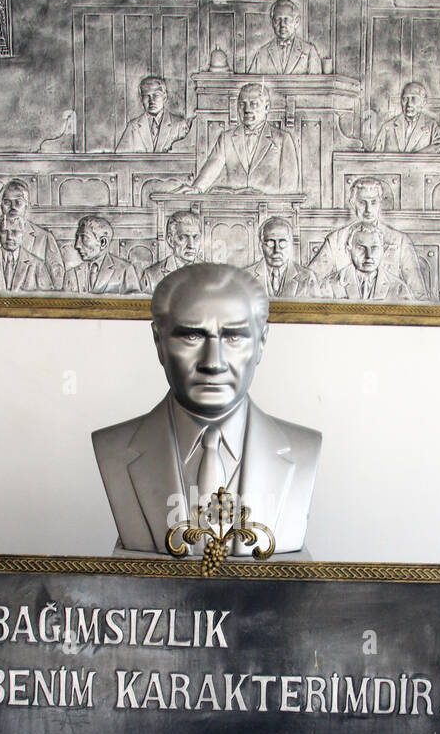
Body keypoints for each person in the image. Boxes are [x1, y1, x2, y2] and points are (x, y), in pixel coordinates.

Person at [92, 262, 321, 554]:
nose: (213, 362)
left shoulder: (305, 448)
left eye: (233, 336)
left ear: (262, 342)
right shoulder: (112, 448)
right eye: (192, 336)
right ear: (159, 342)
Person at [308, 177, 427, 299]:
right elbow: (309, 283)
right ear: (353, 203)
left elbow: (419, 294)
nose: (368, 209)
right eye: (362, 202)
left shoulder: (400, 240)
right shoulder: (335, 239)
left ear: (380, 202)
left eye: (373, 202)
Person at [184, 83, 299, 197]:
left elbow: (289, 186)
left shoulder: (283, 139)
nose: (247, 110)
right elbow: (212, 167)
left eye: (254, 104)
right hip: (234, 210)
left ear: (267, 107)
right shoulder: (226, 138)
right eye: (242, 104)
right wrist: (197, 188)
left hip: (270, 211)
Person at [0, 178, 64, 289]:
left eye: (18, 202)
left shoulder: (44, 237)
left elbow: (57, 282)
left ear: (27, 205)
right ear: (1, 205)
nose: (13, 207)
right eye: (7, 202)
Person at [323, 224, 409, 301]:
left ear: (383, 250)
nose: (368, 255)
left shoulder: (398, 287)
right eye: (361, 248)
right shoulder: (331, 284)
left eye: (374, 248)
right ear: (349, 249)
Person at [245, 216, 318, 299]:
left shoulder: (307, 277)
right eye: (270, 243)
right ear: (261, 246)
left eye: (282, 242)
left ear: (290, 244)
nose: (277, 250)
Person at [64, 216, 140, 294]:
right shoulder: (71, 274)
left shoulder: (125, 270)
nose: (77, 245)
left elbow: (135, 303)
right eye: (77, 238)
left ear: (103, 242)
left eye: (84, 238)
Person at [115, 76, 192, 153]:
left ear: (164, 97)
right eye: (147, 96)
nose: (151, 100)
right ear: (141, 99)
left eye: (156, 95)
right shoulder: (133, 126)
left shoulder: (179, 125)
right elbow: (119, 160)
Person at [248, 0, 322, 75]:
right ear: (272, 23)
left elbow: (317, 85)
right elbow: (252, 83)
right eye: (278, 20)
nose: (282, 24)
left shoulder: (309, 51)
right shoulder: (262, 53)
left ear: (296, 22)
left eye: (287, 19)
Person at [372, 82, 440, 154]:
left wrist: (416, 157)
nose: (409, 104)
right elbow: (375, 155)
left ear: (423, 102)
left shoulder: (431, 126)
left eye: (414, 99)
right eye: (405, 99)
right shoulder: (388, 127)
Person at [141, 211, 203, 294]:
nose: (191, 245)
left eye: (196, 238)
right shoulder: (151, 276)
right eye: (183, 238)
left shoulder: (211, 275)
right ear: (170, 240)